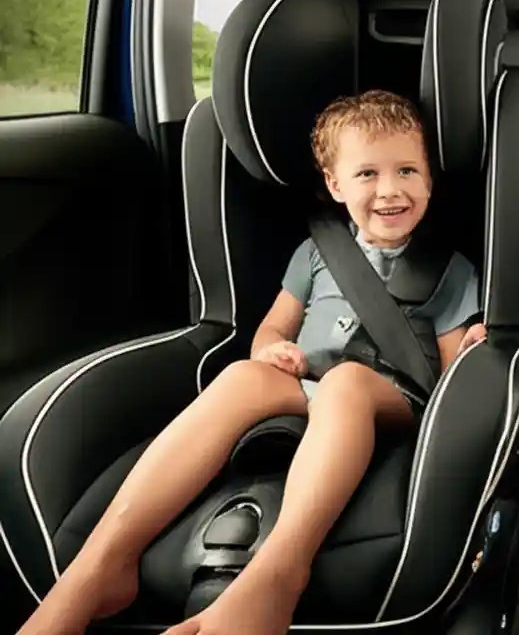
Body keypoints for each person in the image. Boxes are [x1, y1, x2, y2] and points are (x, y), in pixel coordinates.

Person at [20, 90, 488, 635]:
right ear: (336, 186)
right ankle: (98, 566)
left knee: (347, 384)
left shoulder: (450, 270)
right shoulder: (314, 255)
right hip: (309, 387)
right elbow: (273, 327)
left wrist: (473, 354)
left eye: (408, 170)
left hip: (391, 398)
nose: (390, 189)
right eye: (367, 175)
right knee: (243, 376)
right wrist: (270, 350)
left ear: (429, 179)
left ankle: (277, 576)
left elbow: (449, 375)